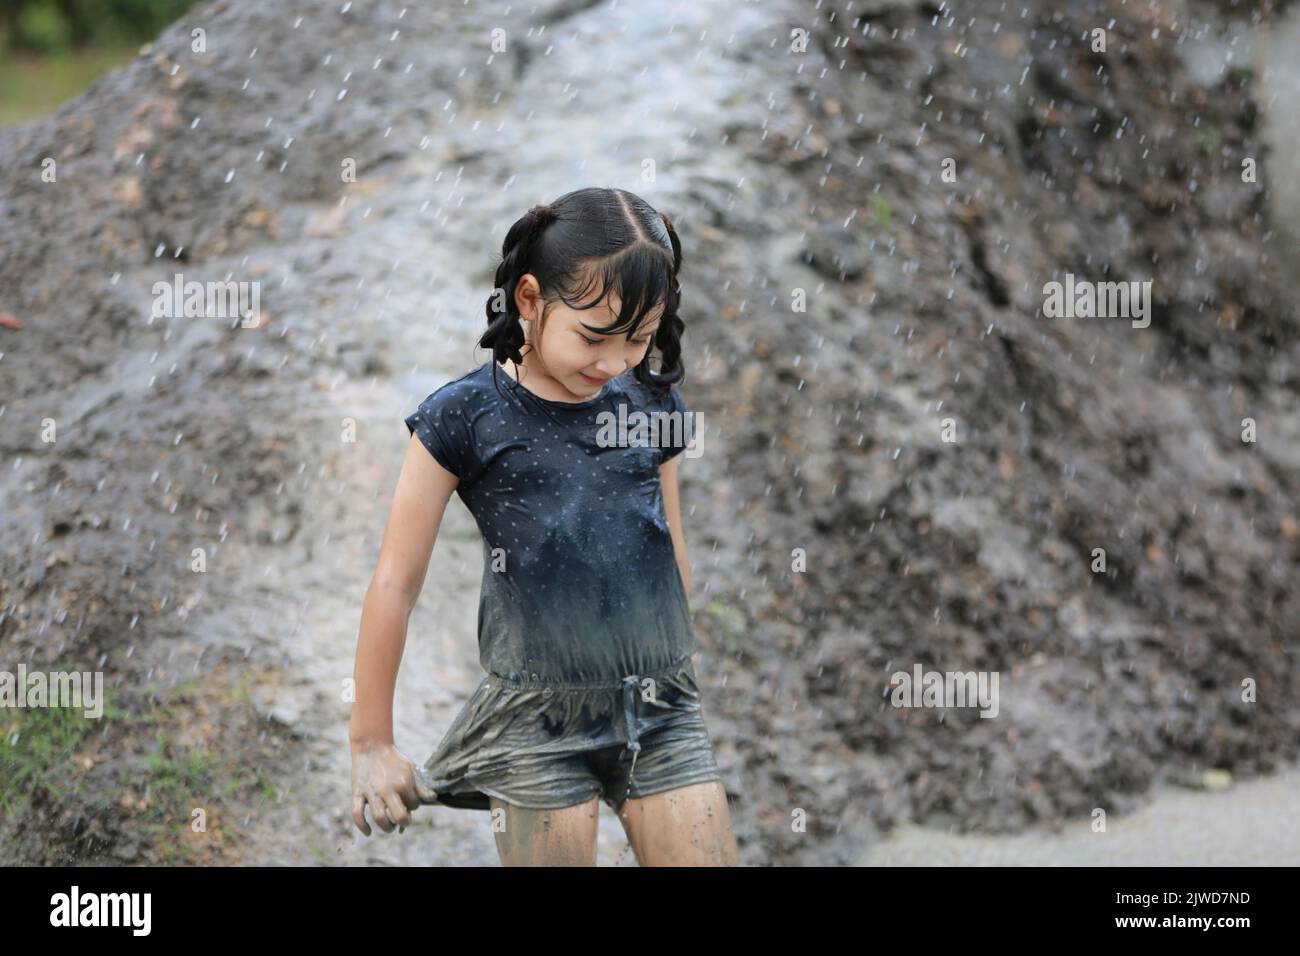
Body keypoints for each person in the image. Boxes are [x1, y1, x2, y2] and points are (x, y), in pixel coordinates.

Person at [349, 187, 739, 866]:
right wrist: (370, 743)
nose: (615, 362)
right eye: (593, 336)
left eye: (639, 339)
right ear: (529, 299)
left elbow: (668, 544)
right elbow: (394, 583)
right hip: (536, 722)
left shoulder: (651, 403)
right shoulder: (464, 417)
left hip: (660, 708)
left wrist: (672, 668)